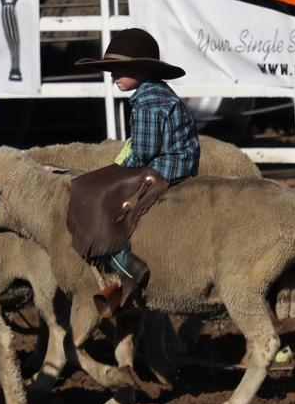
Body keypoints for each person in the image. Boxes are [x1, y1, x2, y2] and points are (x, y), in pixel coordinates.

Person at [74, 27, 201, 307]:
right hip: (178, 162)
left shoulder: (146, 102)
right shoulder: (158, 94)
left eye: (120, 69)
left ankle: (127, 268)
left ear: (141, 70)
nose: (113, 75)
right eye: (112, 69)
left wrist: (115, 171)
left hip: (164, 168)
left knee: (101, 203)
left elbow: (143, 152)